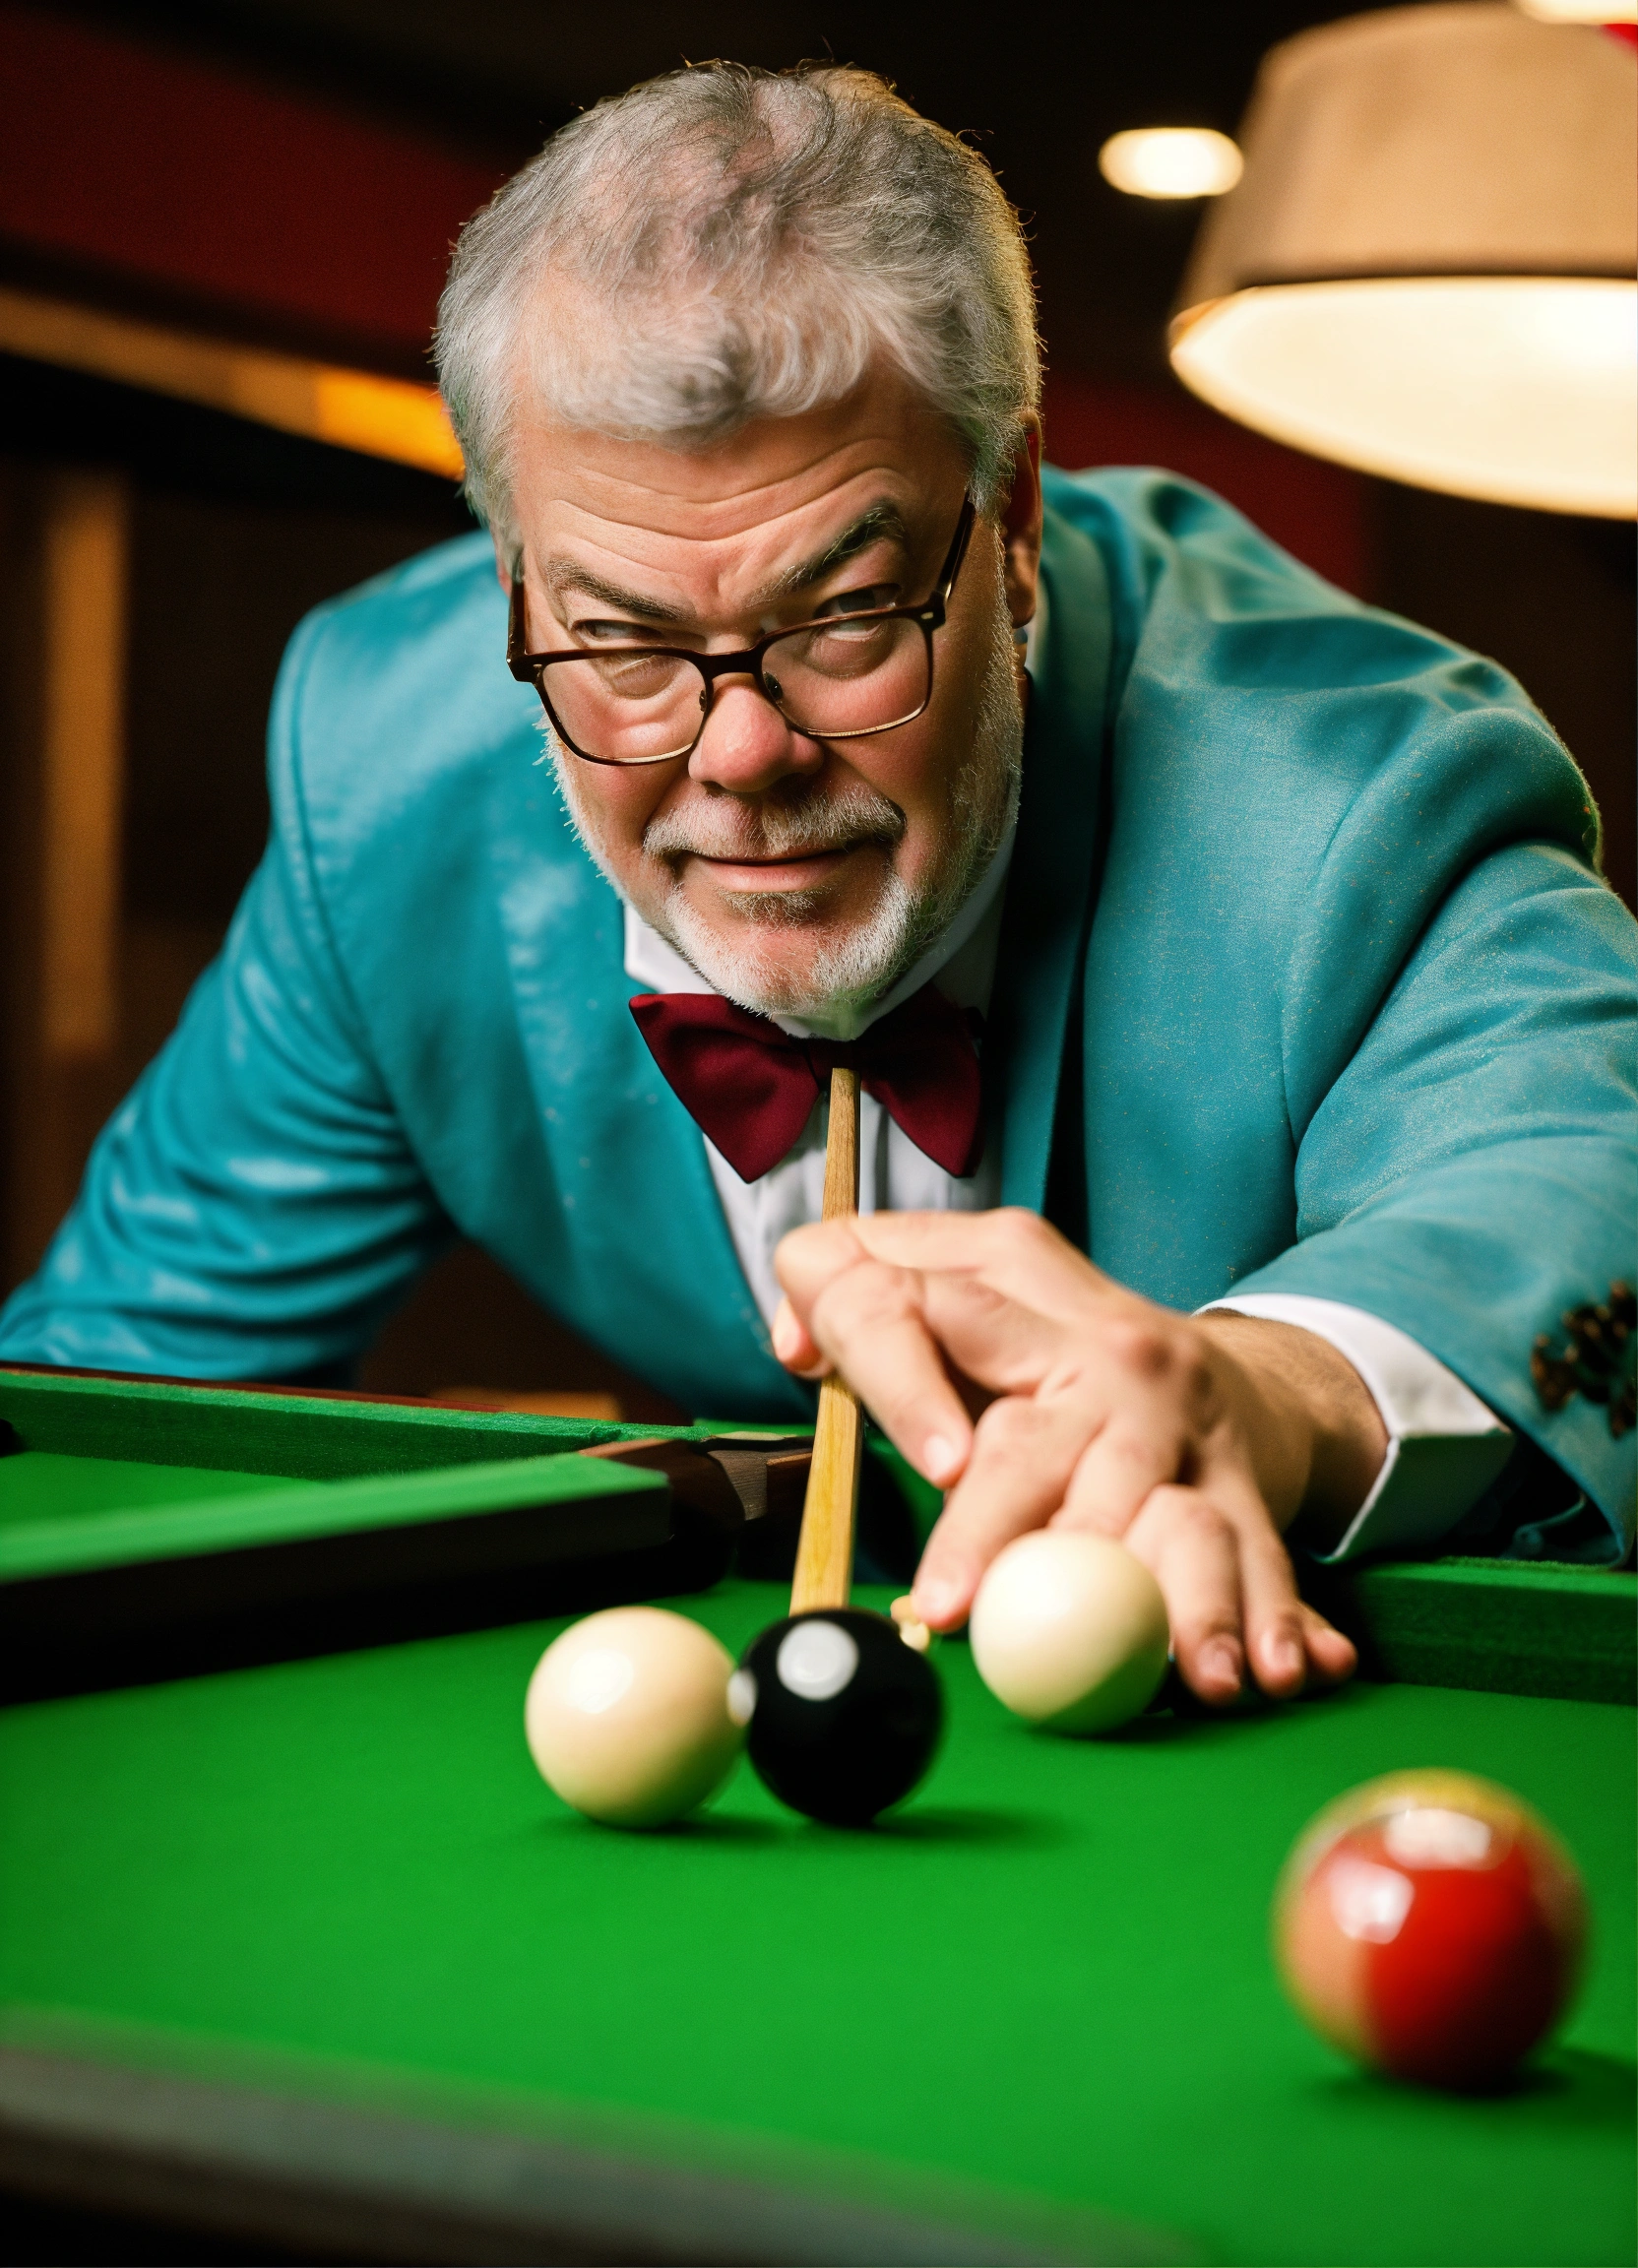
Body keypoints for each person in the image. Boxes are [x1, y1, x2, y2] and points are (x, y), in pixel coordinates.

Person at [3, 65, 1632, 1702]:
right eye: (625, 641)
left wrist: (1278, 1392)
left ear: (1010, 526)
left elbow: (1588, 1173)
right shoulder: (388, 779)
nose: (738, 756)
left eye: (843, 620)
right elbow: (108, 1391)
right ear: (515, 581)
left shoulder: (1346, 788)